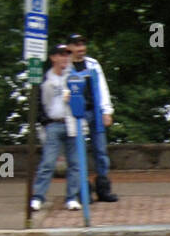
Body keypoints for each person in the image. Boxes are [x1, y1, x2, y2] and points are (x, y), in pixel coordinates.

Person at [30, 45, 83, 213]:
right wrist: (44, 121)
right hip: (53, 123)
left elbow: (85, 99)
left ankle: (72, 198)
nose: (65, 58)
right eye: (61, 55)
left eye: (67, 55)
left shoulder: (74, 77)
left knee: (75, 163)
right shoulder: (45, 79)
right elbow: (37, 103)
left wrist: (74, 100)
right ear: (53, 58)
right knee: (48, 162)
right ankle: (38, 197)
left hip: (71, 123)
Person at [65, 34, 118, 202]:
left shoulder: (93, 64)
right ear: (69, 48)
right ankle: (84, 191)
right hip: (76, 115)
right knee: (79, 153)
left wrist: (106, 110)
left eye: (82, 44)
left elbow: (102, 87)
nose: (81, 48)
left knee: (101, 151)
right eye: (76, 45)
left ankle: (103, 189)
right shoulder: (65, 66)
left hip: (95, 112)